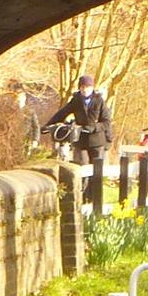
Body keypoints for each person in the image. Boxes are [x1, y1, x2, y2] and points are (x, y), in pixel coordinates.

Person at [45, 74, 112, 208]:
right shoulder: (76, 100)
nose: (84, 89)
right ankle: (82, 199)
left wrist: (94, 127)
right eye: (82, 87)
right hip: (80, 140)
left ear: (92, 88)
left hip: (97, 142)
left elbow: (106, 122)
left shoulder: (99, 100)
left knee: (96, 172)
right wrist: (48, 125)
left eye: (87, 87)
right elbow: (62, 113)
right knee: (81, 167)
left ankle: (95, 199)